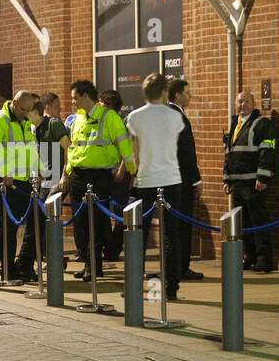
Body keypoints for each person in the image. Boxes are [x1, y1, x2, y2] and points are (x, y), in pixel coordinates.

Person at [60, 80, 135, 281]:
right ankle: (89, 264)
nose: (72, 101)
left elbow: (124, 145)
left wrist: (131, 170)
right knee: (82, 222)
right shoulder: (78, 120)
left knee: (97, 222)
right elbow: (74, 147)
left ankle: (94, 266)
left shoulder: (109, 117)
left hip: (99, 176)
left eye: (75, 97)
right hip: (78, 175)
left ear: (86, 95)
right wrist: (67, 172)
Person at [126, 73, 185, 300]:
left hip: (146, 180)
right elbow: (174, 147)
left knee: (137, 234)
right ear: (164, 92)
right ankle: (171, 286)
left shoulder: (135, 117)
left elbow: (135, 151)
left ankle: (133, 283)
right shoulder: (175, 117)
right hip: (171, 179)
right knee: (171, 235)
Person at [0, 89, 38, 281]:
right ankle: (6, 268)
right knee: (8, 227)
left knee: (35, 220)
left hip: (23, 180)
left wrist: (37, 169)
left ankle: (22, 264)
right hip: (6, 180)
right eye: (23, 109)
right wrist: (3, 170)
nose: (25, 113)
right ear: (13, 102)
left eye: (28, 111)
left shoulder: (25, 122)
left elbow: (30, 148)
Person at [224, 91, 277, 273]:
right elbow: (228, 153)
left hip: (253, 183)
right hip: (237, 183)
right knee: (243, 224)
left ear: (253, 105)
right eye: (239, 101)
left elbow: (267, 151)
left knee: (258, 222)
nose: (242, 105)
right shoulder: (235, 125)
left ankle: (264, 260)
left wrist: (262, 177)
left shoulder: (261, 124)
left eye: (246, 102)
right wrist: (226, 178)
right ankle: (249, 256)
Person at [167, 78, 204, 280]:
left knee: (171, 227)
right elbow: (186, 153)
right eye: (187, 92)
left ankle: (172, 268)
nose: (190, 95)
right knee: (181, 226)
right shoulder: (179, 118)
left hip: (166, 179)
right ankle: (181, 267)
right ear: (177, 95)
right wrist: (196, 180)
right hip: (180, 181)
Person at [27, 95, 69, 262]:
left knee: (49, 216)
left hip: (56, 179)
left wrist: (65, 175)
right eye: (56, 106)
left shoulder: (54, 124)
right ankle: (46, 256)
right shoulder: (31, 129)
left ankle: (53, 256)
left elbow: (68, 149)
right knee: (40, 219)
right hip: (42, 181)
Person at [100, 89, 131, 263]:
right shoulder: (103, 122)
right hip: (105, 173)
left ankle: (113, 249)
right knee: (103, 212)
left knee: (120, 213)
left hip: (118, 173)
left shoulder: (121, 123)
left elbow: (126, 149)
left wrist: (121, 169)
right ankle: (109, 246)